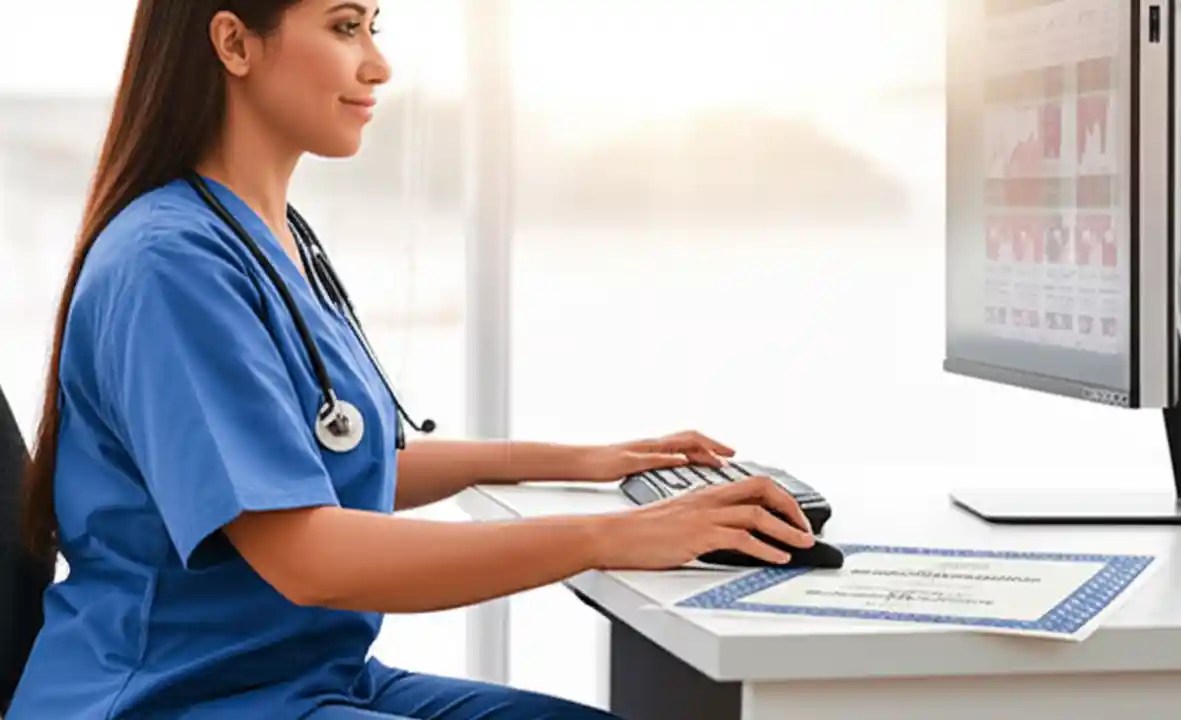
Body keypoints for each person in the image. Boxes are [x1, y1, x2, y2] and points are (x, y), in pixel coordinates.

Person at [8, 2, 814, 719]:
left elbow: (341, 462)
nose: (378, 63)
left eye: (373, 28)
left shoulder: (270, 237)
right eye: (344, 25)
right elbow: (308, 555)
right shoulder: (170, 266)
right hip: (175, 696)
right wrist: (612, 535)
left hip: (304, 677)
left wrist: (583, 461)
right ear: (234, 42)